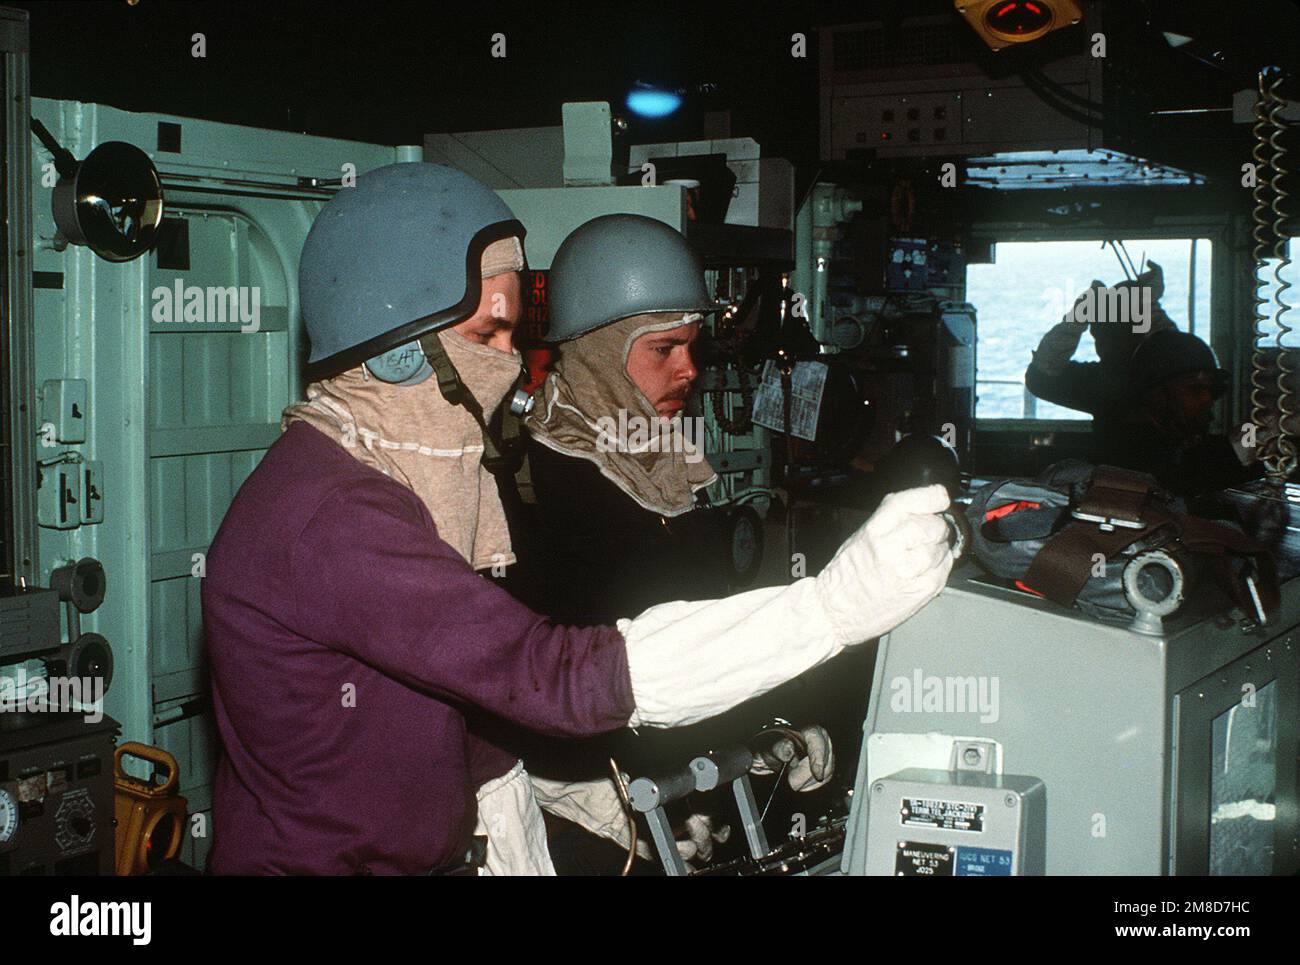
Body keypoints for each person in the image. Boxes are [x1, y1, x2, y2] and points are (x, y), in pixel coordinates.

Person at [202, 162, 953, 876]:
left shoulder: (375, 473)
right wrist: (830, 609)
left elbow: (450, 705)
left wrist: (582, 796)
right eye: (490, 338)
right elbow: (549, 674)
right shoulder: (335, 517)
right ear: (404, 353)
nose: (512, 364)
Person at [499, 215, 833, 871]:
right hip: (588, 816)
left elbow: (701, 628)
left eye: (693, 346)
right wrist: (632, 794)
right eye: (664, 349)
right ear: (600, 351)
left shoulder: (666, 473)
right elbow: (562, 677)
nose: (688, 369)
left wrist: (770, 728)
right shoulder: (531, 488)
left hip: (676, 792)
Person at [1092, 329, 1262, 497]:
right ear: (1155, 394)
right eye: (1195, 389)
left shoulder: (1178, 434)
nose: (1207, 399)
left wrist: (1257, 430)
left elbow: (1206, 452)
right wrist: (1249, 440)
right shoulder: (1127, 446)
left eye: (1210, 390)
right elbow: (1179, 479)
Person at [1024, 263, 1176, 431]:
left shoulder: (1105, 384)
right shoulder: (1173, 375)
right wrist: (1149, 302)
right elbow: (1170, 347)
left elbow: (1040, 376)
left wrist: (1077, 318)